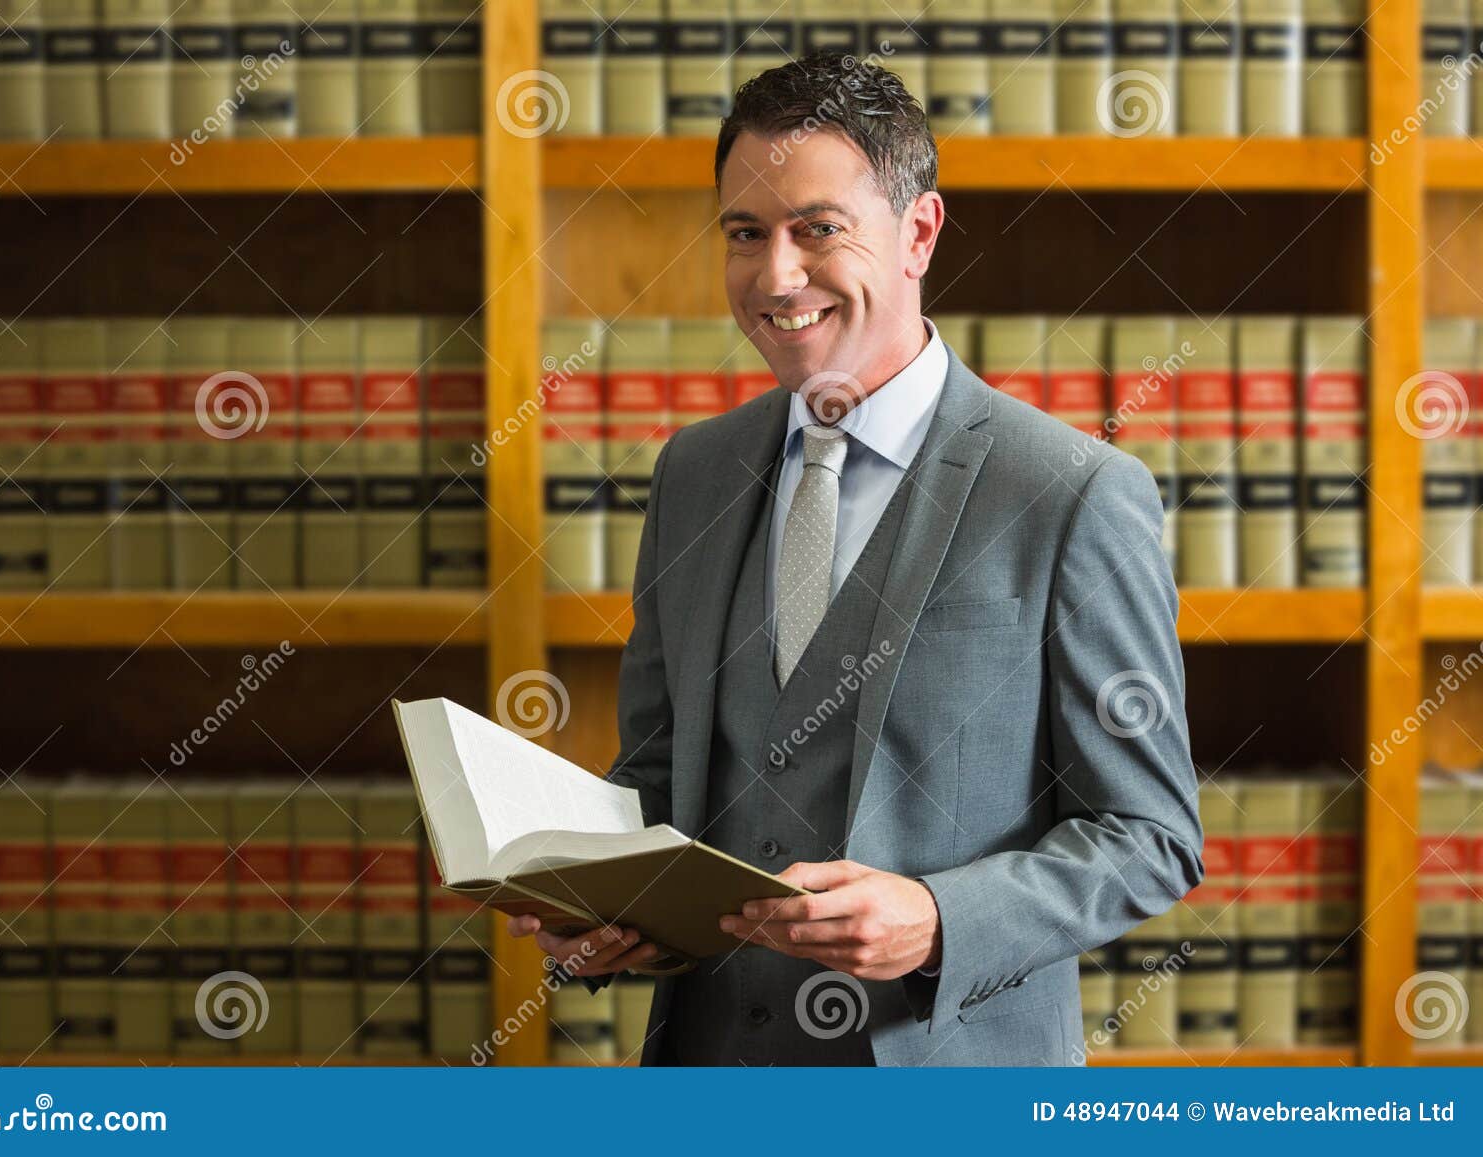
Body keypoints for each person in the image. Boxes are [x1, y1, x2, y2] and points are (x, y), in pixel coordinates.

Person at [508, 52, 1203, 1066]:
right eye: (745, 234)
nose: (775, 276)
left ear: (918, 231)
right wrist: (603, 908)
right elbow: (661, 768)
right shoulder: (693, 473)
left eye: (816, 229)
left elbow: (1150, 834)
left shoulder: (1069, 492)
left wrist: (939, 915)